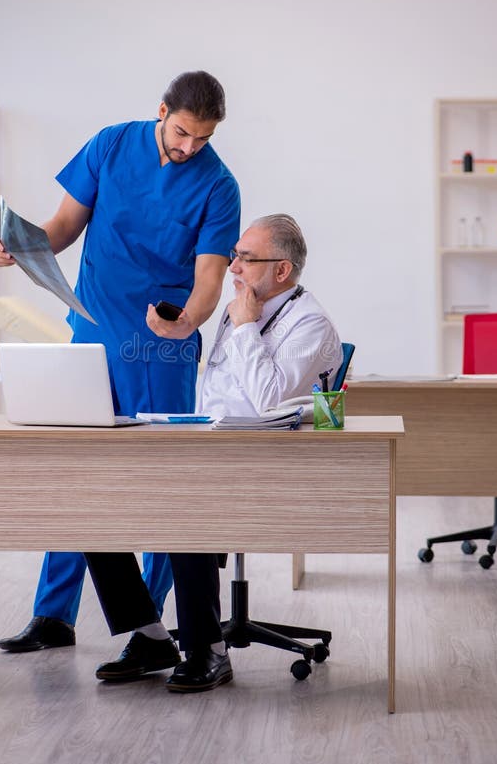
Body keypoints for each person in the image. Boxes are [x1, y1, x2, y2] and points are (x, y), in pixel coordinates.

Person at [0, 71, 241, 652]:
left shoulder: (218, 186)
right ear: (160, 111)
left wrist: (187, 322)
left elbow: (209, 280)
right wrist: (22, 243)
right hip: (93, 332)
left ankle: (147, 629)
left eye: (202, 139)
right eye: (182, 133)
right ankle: (54, 616)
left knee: (160, 487)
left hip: (161, 348)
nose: (189, 148)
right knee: (77, 474)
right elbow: (62, 227)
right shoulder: (109, 144)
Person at [84, 214, 342, 693]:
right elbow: (216, 397)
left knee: (190, 507)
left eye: (246, 258)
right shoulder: (237, 309)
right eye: (235, 256)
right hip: (210, 451)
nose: (234, 267)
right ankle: (150, 634)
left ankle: (209, 651)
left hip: (271, 467)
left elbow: (269, 401)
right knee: (94, 505)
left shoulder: (310, 324)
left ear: (282, 270)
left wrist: (244, 328)